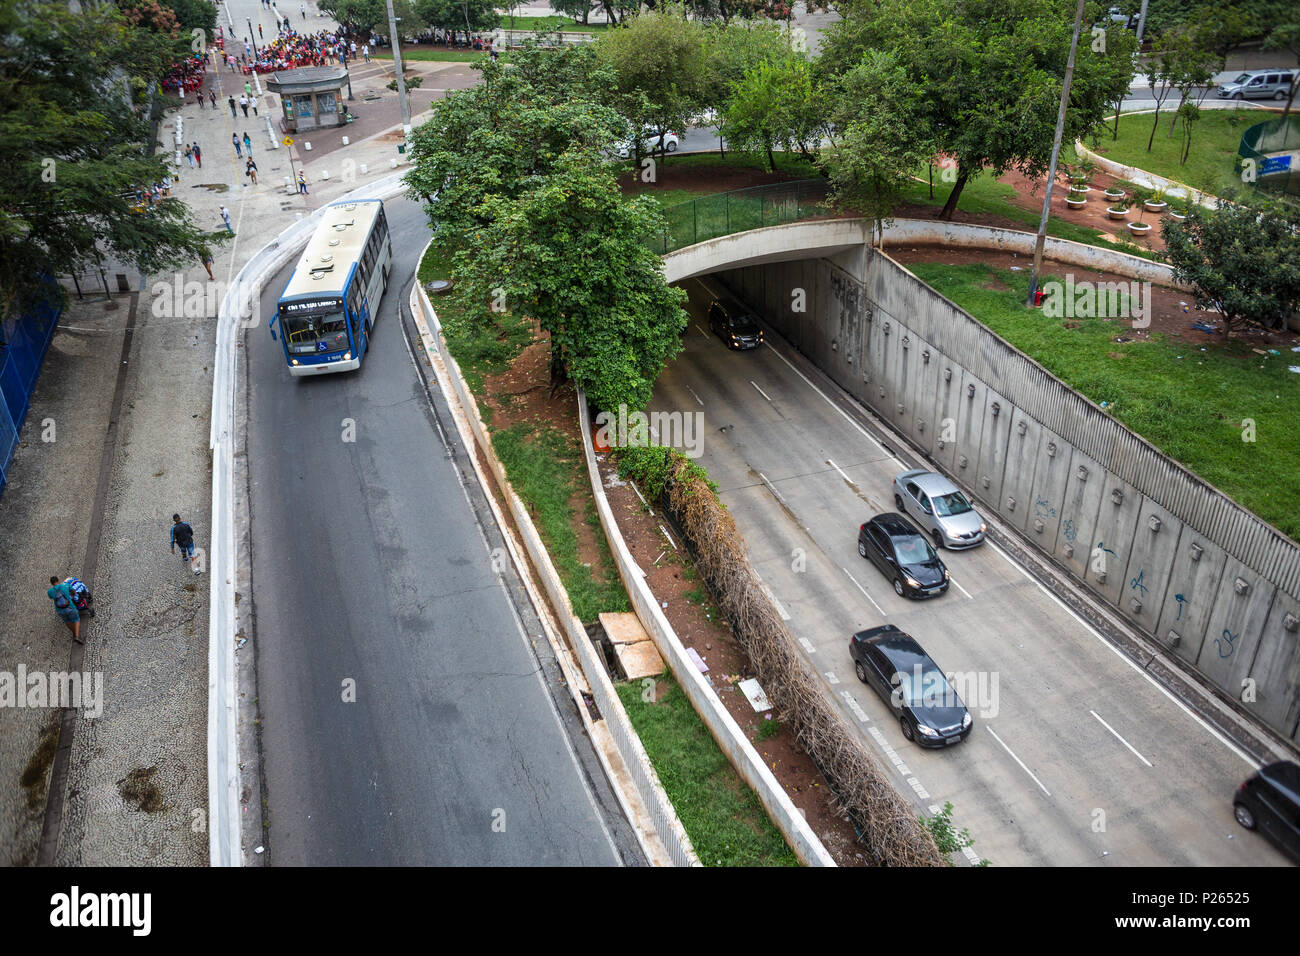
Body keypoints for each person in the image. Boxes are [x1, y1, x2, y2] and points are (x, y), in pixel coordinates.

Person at [47, 576, 83, 644]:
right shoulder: (65, 585)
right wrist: (71, 596)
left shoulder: (50, 591)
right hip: (70, 607)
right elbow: (73, 592)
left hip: (60, 610)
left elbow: (51, 597)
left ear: (52, 583)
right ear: (58, 580)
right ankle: (77, 636)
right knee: (76, 619)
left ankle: (74, 633)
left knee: (67, 621)